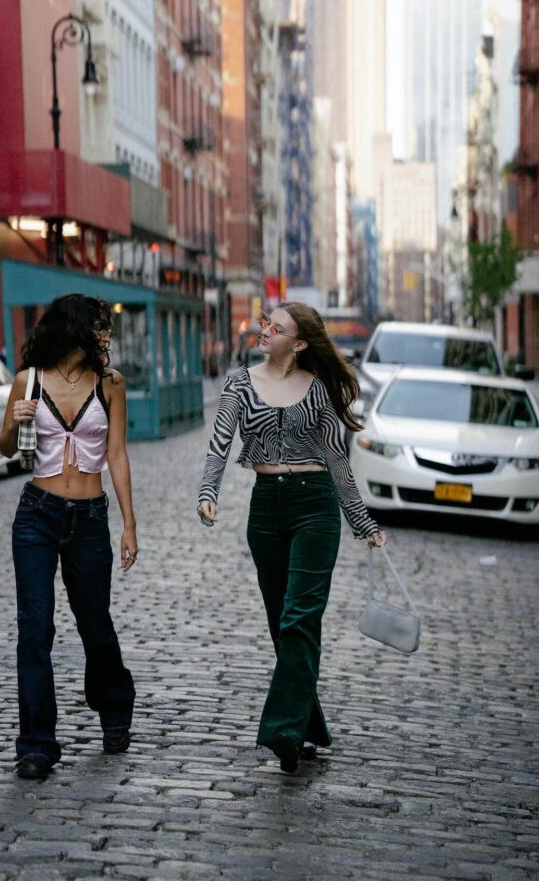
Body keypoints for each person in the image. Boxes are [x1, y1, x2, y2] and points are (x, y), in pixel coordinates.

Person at [197, 302, 386, 774]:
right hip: (265, 509)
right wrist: (208, 492)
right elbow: (220, 443)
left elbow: (338, 462)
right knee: (284, 624)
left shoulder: (319, 391)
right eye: (265, 323)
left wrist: (361, 523)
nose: (265, 331)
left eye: (276, 328)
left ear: (299, 343)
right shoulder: (239, 383)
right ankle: (308, 725)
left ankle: (283, 729)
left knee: (300, 616)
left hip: (314, 507)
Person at [0, 294, 139, 781]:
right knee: (35, 629)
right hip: (37, 514)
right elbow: (4, 448)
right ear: (76, 329)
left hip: (90, 518)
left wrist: (129, 524)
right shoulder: (29, 380)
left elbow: (117, 454)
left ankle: (115, 702)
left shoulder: (111, 385)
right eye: (99, 327)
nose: (106, 336)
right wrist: (14, 423)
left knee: (94, 622)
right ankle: (36, 744)